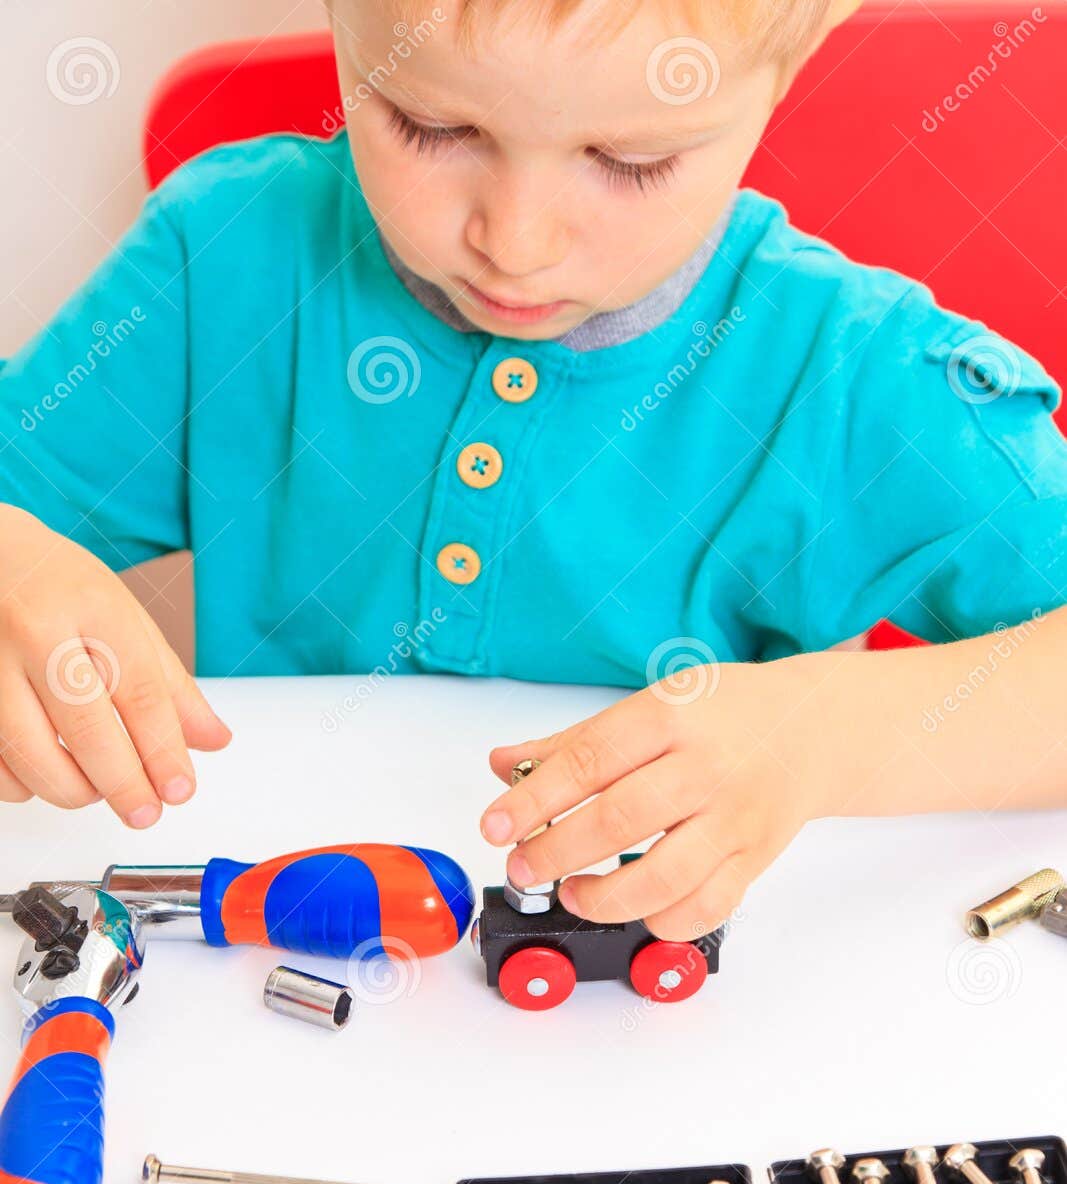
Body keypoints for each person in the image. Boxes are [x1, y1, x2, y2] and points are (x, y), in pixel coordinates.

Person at [1, 0, 1064, 943]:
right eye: (430, 127)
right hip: (264, 945)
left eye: (632, 161)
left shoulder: (853, 374)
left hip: (659, 1024)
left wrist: (816, 735)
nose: (513, 243)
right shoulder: (225, 255)